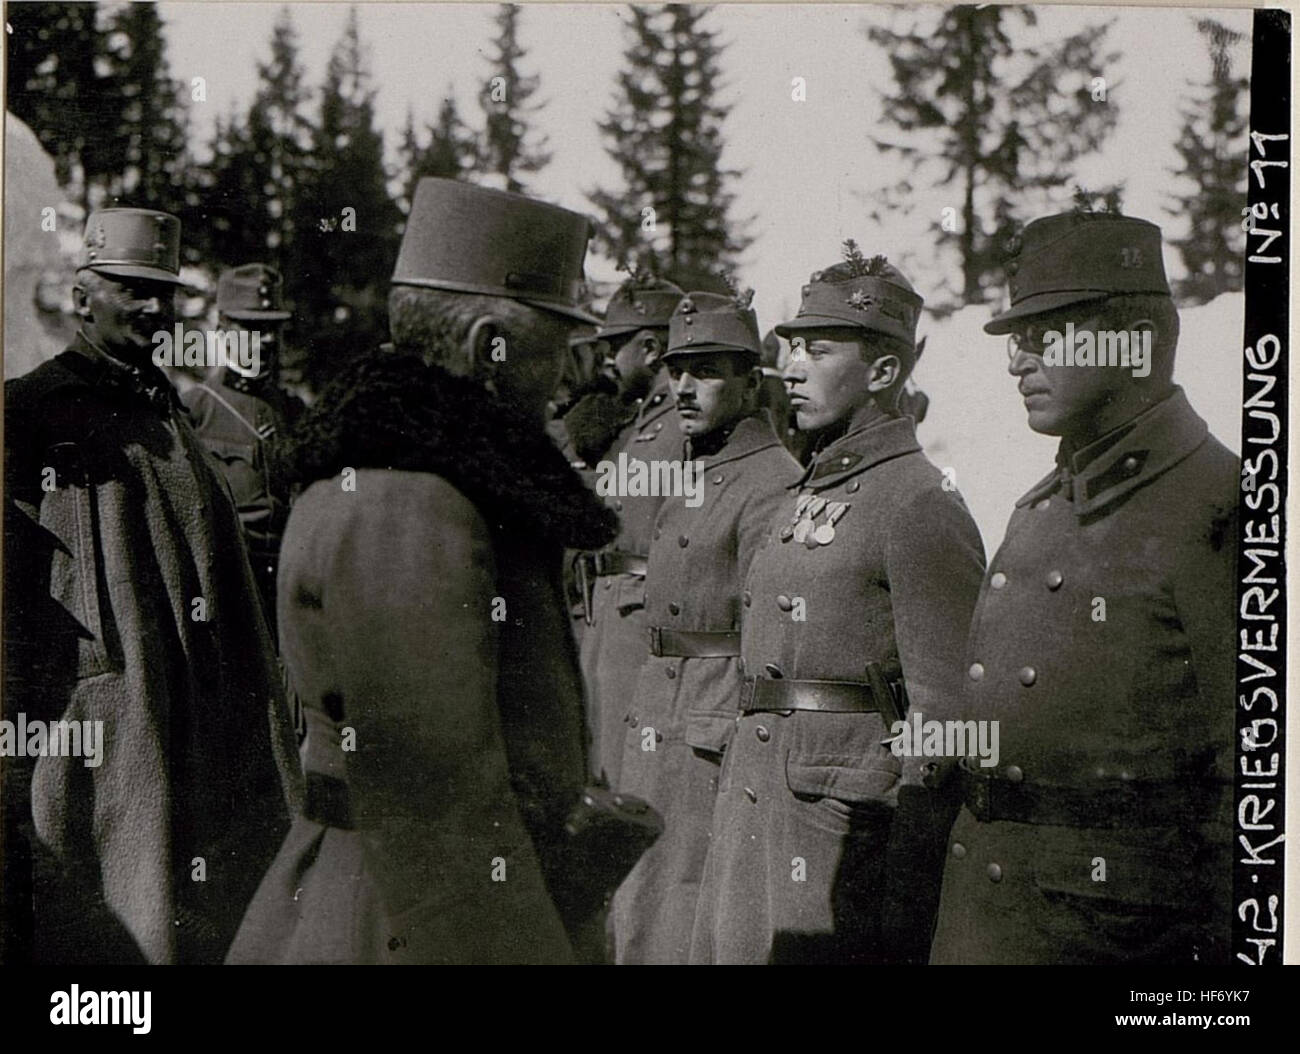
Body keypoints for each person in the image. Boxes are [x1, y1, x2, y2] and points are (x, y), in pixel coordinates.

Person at [226, 177, 631, 965]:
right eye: (557, 350)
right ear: (489, 348)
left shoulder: (424, 484)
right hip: (416, 920)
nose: (568, 380)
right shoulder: (411, 505)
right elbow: (436, 802)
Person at [927, 209, 1239, 965]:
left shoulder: (1219, 505)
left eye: (1046, 334)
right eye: (1017, 337)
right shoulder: (1044, 504)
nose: (1017, 361)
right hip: (990, 918)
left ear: (1135, 340)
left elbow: (1253, 787)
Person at [2, 208, 301, 964]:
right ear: (82, 297)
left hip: (190, 714)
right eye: (131, 289)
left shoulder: (168, 410)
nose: (152, 307)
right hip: (97, 725)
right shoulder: (32, 409)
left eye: (163, 292)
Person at [690, 244, 985, 964]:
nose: (790, 368)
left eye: (817, 351)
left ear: (883, 372)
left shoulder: (919, 503)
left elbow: (946, 718)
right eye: (792, 348)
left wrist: (910, 898)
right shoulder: (807, 489)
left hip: (839, 829)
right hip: (756, 804)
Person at [611, 290, 800, 963]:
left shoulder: (771, 480)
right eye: (677, 369)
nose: (684, 388)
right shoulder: (697, 465)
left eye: (708, 371)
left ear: (750, 382)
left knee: (682, 900)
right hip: (661, 703)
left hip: (711, 716)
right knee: (641, 895)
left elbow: (766, 636)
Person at [565, 274, 685, 789]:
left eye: (617, 346)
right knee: (599, 759)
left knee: (625, 767)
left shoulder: (681, 424)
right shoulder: (642, 422)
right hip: (607, 607)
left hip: (639, 611)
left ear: (652, 349)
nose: (608, 359)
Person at [182, 264, 298, 635]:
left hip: (287, 590)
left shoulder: (295, 412)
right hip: (227, 592)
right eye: (252, 328)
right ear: (222, 331)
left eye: (273, 329)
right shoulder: (193, 411)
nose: (266, 340)